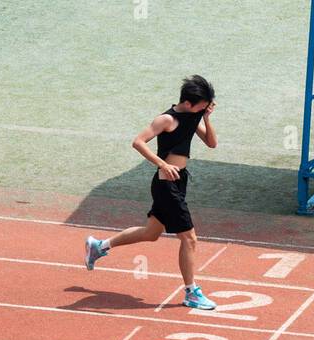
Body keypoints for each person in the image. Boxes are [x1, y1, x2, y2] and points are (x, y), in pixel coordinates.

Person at [85, 75, 218, 310]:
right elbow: (138, 142)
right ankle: (191, 292)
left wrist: (206, 118)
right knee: (189, 238)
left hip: (179, 181)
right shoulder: (166, 120)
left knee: (151, 232)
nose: (203, 108)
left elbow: (211, 143)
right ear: (188, 103)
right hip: (166, 183)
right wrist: (162, 164)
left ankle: (100, 246)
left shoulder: (193, 115)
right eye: (202, 105)